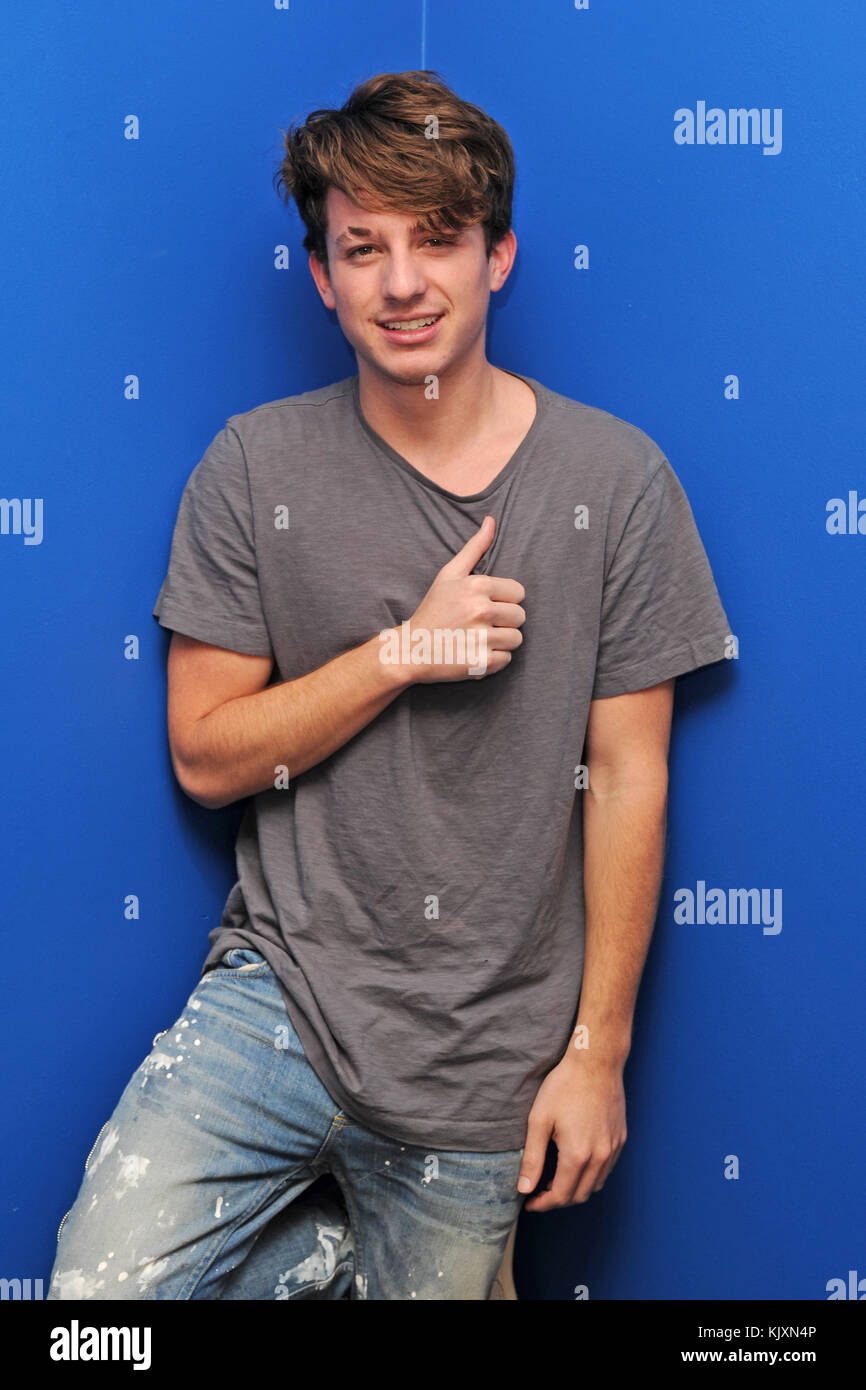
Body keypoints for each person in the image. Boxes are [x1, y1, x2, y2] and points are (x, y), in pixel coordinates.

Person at [48, 69, 732, 1301]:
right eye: (361, 248)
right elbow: (207, 757)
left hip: (485, 1058)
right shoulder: (251, 465)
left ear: (499, 257)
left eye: (438, 240)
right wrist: (401, 651)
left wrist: (596, 1054)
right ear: (320, 277)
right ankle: (337, 1263)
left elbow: (627, 776)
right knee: (95, 1314)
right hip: (281, 1002)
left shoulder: (618, 481)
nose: (402, 282)